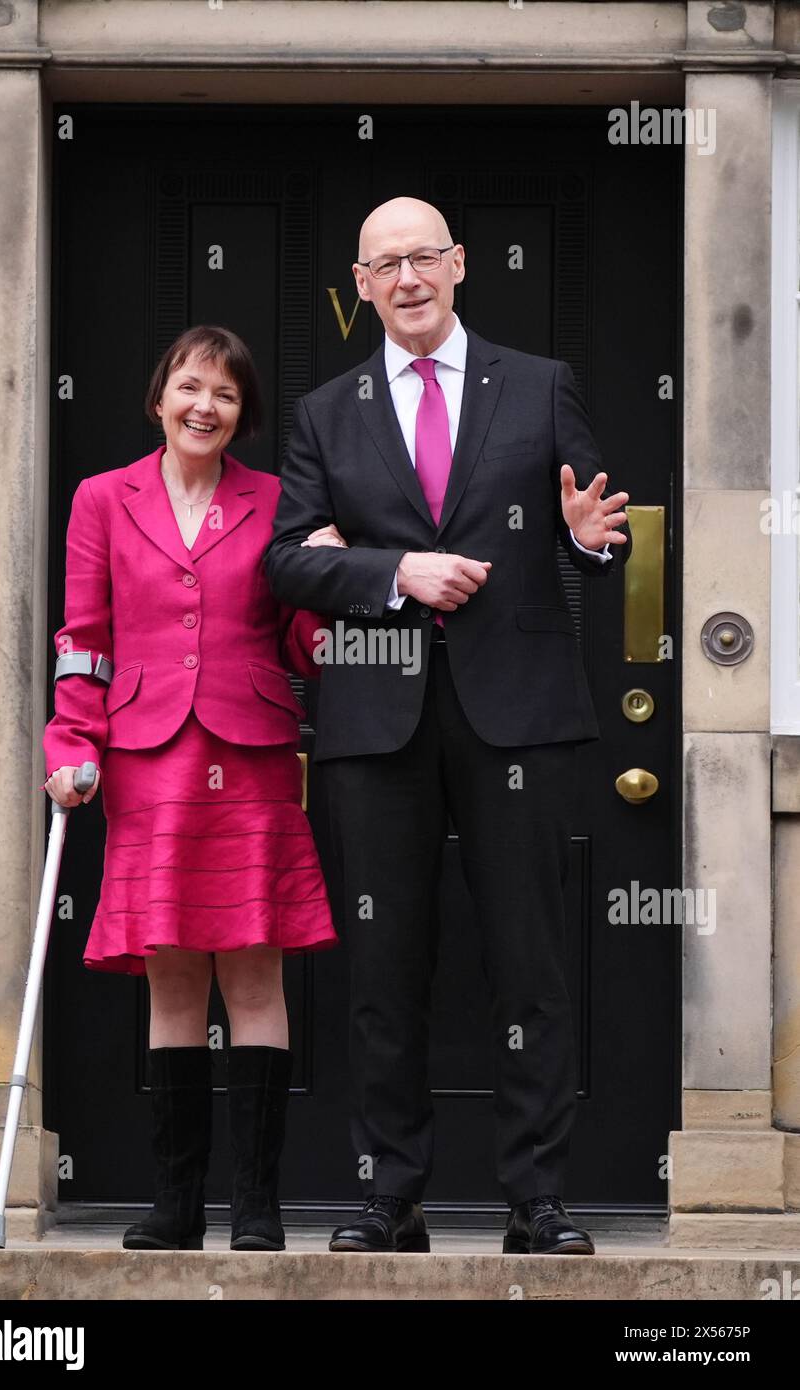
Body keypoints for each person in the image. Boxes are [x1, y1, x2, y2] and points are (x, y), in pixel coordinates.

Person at [265, 197, 633, 1255]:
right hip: (377, 721)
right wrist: (390, 570)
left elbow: (596, 527)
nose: (410, 276)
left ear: (460, 264)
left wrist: (583, 544)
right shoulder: (324, 412)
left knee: (531, 963)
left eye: (425, 255)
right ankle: (391, 1196)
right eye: (387, 264)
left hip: (517, 714)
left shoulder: (540, 384)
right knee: (382, 969)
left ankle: (538, 1200)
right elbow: (287, 558)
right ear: (362, 283)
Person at [42, 325, 338, 1252]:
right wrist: (70, 738)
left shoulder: (278, 501)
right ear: (160, 397)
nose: (204, 407)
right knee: (171, 970)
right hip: (146, 754)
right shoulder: (101, 499)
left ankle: (256, 1207)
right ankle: (175, 1208)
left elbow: (303, 644)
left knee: (253, 965)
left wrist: (330, 580)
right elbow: (85, 635)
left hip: (249, 752)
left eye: (225, 395)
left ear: (241, 415)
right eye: (190, 387)